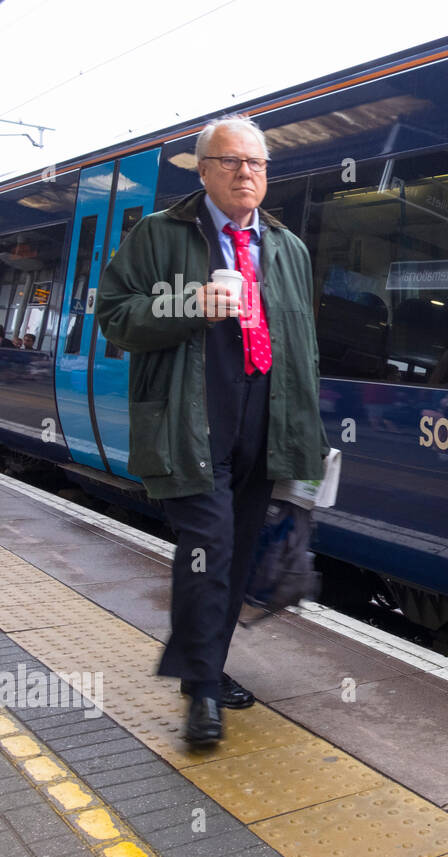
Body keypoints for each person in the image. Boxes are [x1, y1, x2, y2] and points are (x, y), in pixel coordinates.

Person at [97, 114, 328, 745]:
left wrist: (309, 438)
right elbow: (113, 316)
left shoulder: (286, 247)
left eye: (256, 163)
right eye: (230, 162)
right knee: (209, 552)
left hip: (266, 424)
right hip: (192, 418)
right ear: (204, 171)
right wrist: (185, 305)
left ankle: (207, 666)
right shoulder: (159, 235)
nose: (245, 173)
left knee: (240, 551)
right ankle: (201, 692)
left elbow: (302, 348)